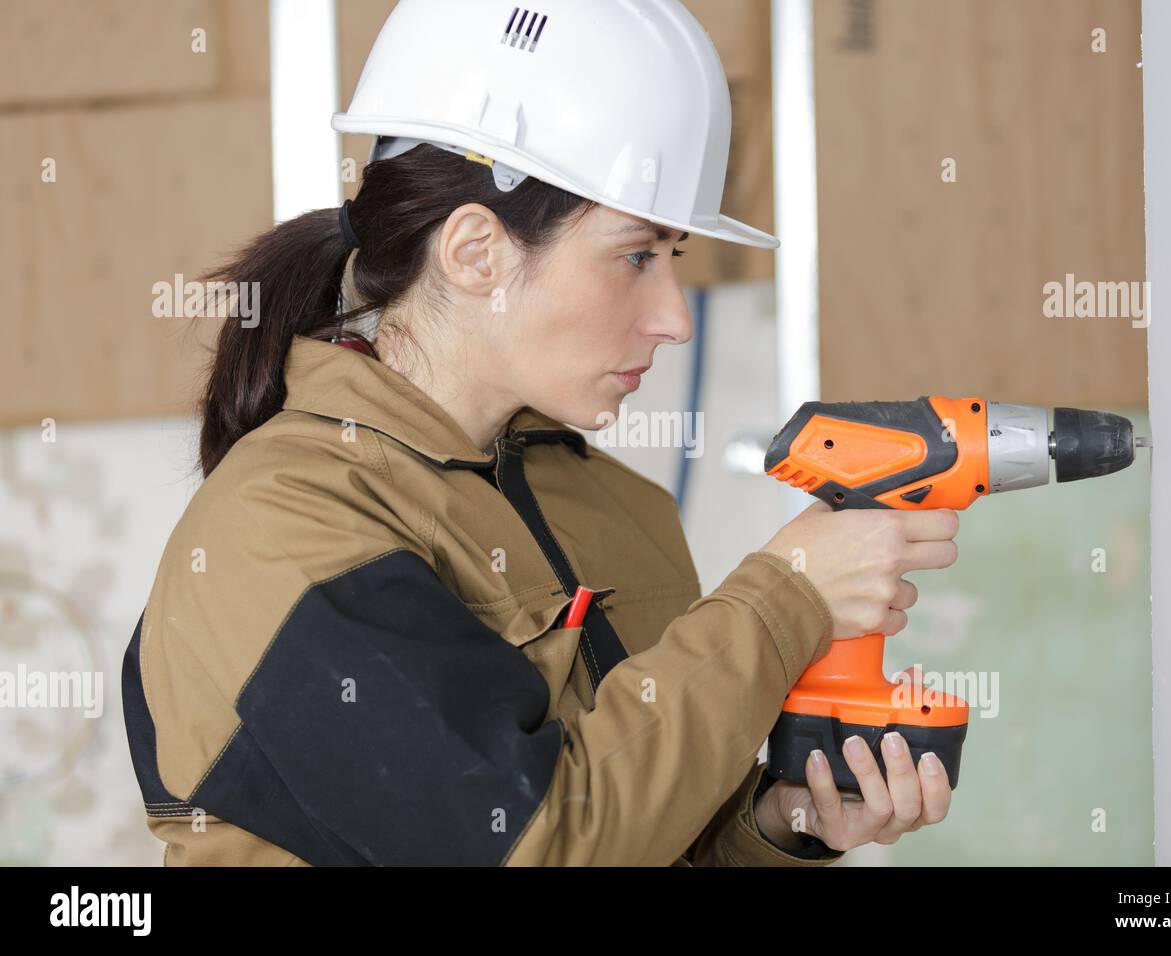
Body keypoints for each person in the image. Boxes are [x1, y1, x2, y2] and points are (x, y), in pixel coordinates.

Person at [121, 0, 959, 866]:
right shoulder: (281, 525)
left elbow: (640, 834)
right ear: (477, 253)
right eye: (637, 256)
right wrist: (788, 598)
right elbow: (529, 844)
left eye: (674, 259)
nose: (675, 318)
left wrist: (782, 823)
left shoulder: (614, 506)